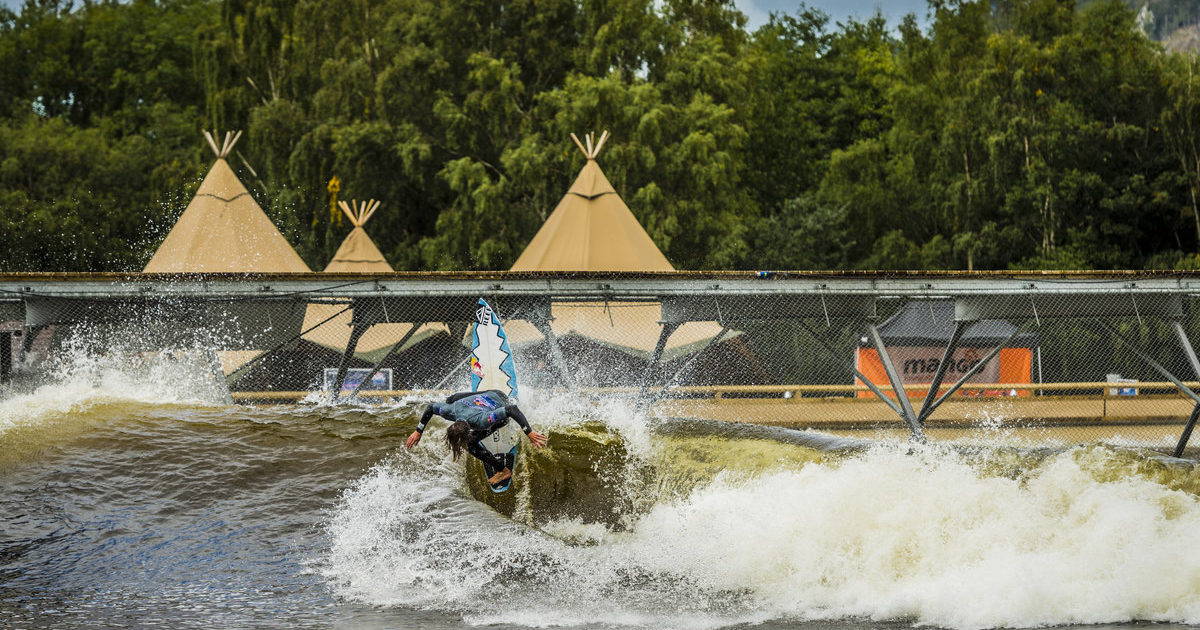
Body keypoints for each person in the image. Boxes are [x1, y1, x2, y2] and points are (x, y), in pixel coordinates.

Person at [405, 389, 548, 484]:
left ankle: (503, 470)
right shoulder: (450, 411)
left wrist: (528, 432)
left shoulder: (482, 421)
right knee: (451, 399)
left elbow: (512, 409)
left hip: (500, 397)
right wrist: (418, 431)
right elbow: (431, 407)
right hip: (487, 394)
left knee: (471, 445)